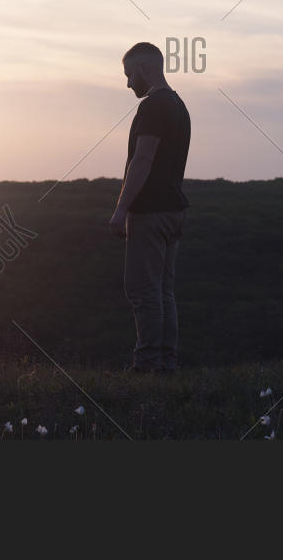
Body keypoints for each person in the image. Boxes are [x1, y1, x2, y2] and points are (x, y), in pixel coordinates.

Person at [108, 42, 191, 373]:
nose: (129, 83)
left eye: (129, 74)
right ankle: (166, 364)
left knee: (144, 292)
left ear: (145, 68)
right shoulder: (178, 105)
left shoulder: (154, 107)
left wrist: (121, 210)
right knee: (163, 292)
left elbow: (142, 160)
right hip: (173, 211)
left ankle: (147, 367)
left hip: (150, 213)